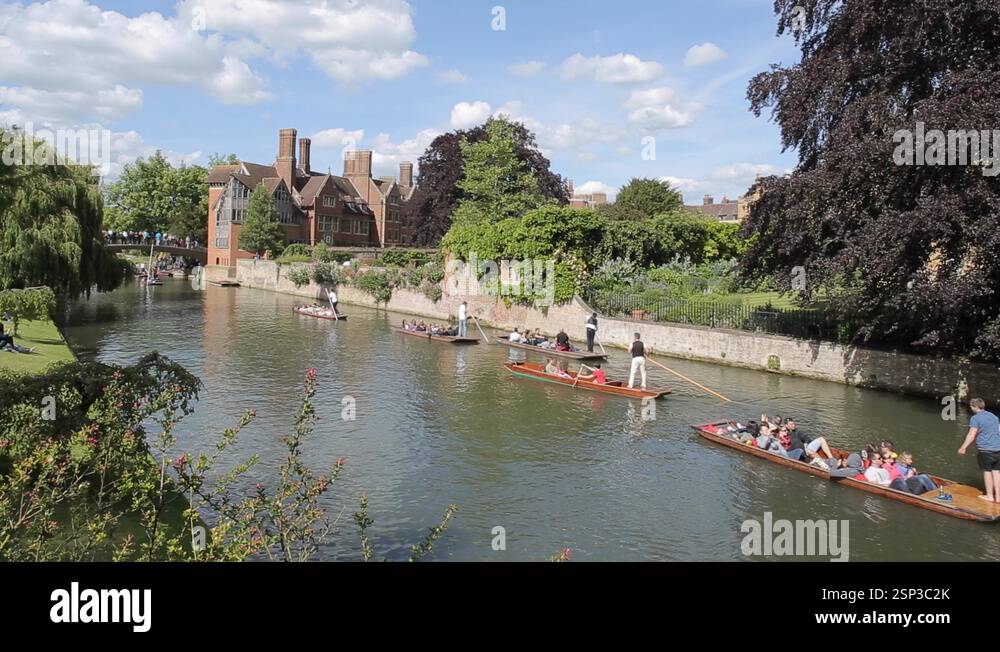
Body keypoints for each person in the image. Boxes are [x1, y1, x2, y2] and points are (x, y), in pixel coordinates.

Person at [958, 398, 1000, 502]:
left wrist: (963, 447)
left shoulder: (975, 418)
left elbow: (972, 435)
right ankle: (998, 497)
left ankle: (990, 496)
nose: (971, 408)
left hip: (986, 449)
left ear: (974, 407)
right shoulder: (993, 416)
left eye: (971, 406)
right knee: (997, 472)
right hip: (998, 448)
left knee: (987, 472)